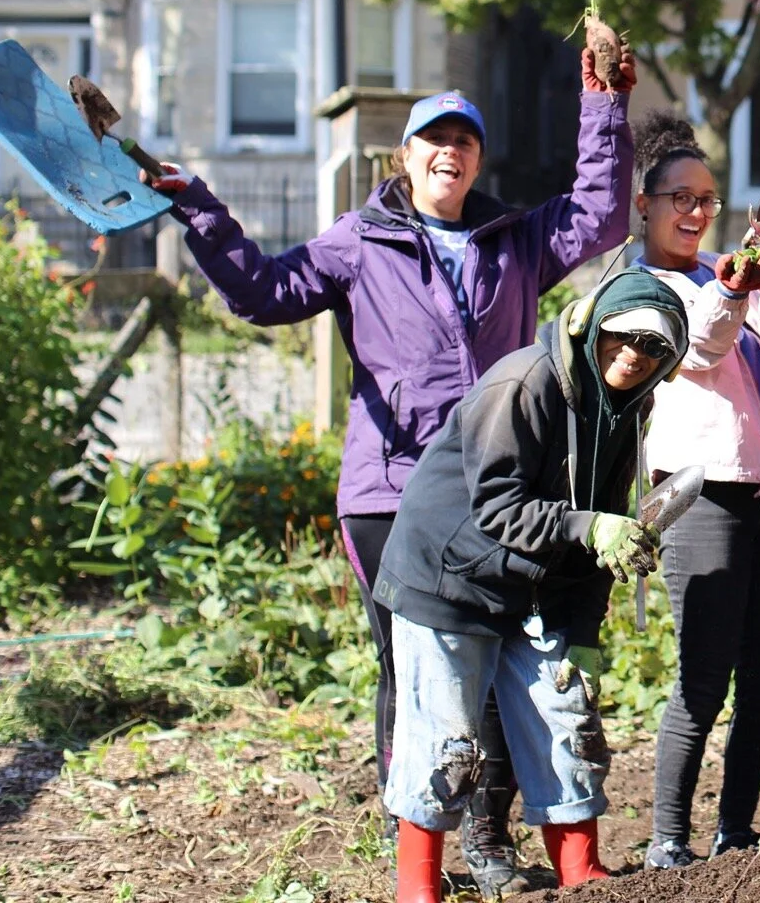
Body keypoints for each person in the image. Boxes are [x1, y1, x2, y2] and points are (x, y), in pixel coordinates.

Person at [153, 46, 635, 894]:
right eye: (434, 139)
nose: (451, 151)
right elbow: (264, 292)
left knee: (500, 660)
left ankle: (487, 835)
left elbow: (599, 214)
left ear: (478, 160)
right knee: (412, 666)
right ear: (403, 157)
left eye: (465, 141)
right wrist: (200, 208)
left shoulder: (514, 238)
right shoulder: (359, 242)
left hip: (495, 487)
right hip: (391, 489)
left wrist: (603, 105)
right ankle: (413, 826)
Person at [373, 268, 690, 903]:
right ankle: (417, 889)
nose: (635, 354)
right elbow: (498, 506)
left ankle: (583, 880)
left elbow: (606, 529)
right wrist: (587, 525)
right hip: (451, 578)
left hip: (535, 585)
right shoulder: (524, 382)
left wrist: (584, 634)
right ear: (591, 327)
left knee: (568, 720)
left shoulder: (631, 406)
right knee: (445, 744)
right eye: (623, 336)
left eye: (656, 346)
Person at [628, 112, 760, 868]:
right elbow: (698, 349)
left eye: (706, 199)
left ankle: (734, 831)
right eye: (681, 198)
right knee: (703, 676)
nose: (696, 212)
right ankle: (668, 840)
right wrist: (734, 291)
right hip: (704, 495)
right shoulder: (637, 287)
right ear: (644, 204)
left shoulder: (717, 270)